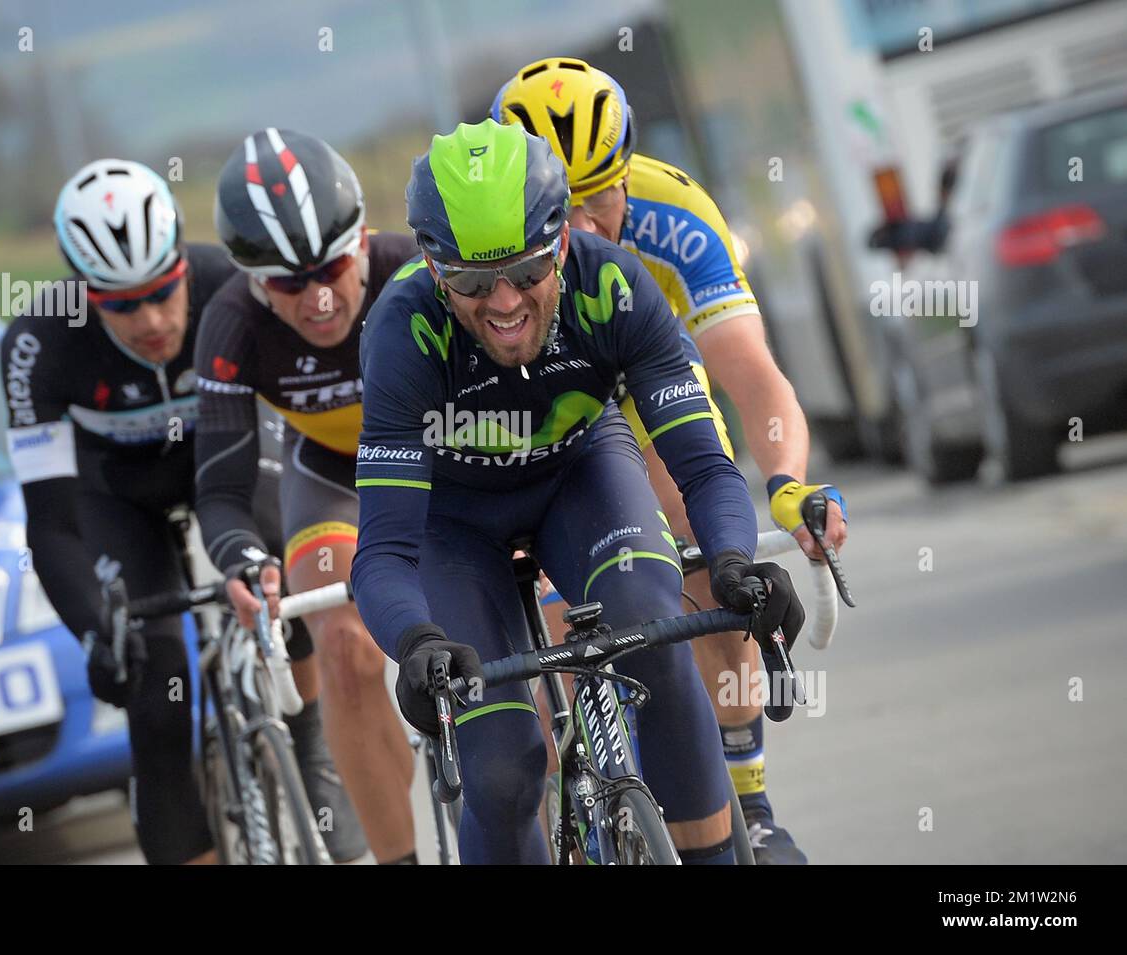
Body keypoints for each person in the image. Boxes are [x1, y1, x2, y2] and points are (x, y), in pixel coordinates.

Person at [351, 119, 804, 864]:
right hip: (452, 523)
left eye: (527, 272)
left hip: (578, 476)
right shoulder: (403, 334)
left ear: (561, 243)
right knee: (502, 767)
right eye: (470, 281)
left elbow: (703, 465)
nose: (502, 304)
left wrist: (732, 561)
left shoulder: (613, 285)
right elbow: (385, 552)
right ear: (434, 270)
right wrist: (417, 641)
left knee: (651, 634)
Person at [492, 57, 849, 862]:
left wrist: (789, 484)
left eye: (599, 198)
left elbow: (753, 375)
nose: (581, 226)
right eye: (560, 203)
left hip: (643, 375)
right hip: (536, 411)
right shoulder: (494, 243)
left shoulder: (673, 215)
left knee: (694, 521)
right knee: (552, 622)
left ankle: (748, 799)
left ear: (627, 176)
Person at [0, 158, 361, 864]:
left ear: (181, 264)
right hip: (116, 496)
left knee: (279, 571)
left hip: (224, 455)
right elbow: (51, 521)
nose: (154, 320)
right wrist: (92, 631)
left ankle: (310, 728)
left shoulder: (231, 286)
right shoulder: (38, 342)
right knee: (157, 703)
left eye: (164, 293)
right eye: (122, 305)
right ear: (83, 293)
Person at [194, 129, 420, 864]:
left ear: (362, 243)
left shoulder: (411, 271)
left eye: (331, 266)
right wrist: (243, 557)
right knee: (345, 647)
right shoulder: (230, 324)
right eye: (290, 284)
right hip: (331, 477)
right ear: (256, 282)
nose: (319, 298)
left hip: (452, 458)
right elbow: (223, 489)